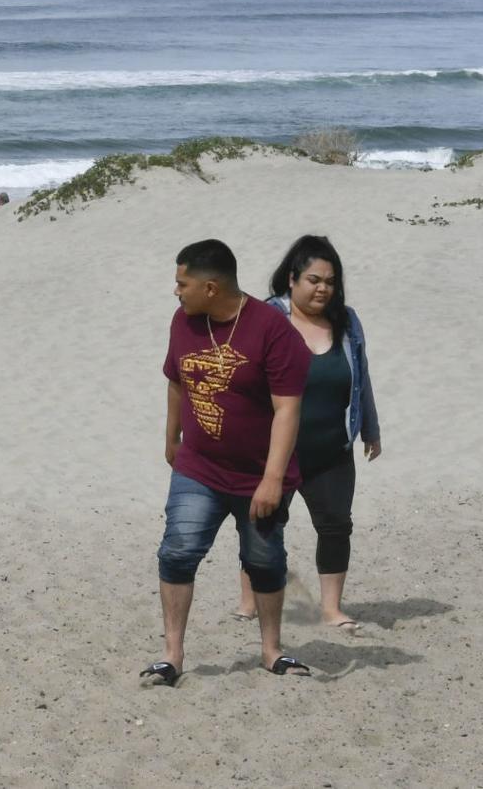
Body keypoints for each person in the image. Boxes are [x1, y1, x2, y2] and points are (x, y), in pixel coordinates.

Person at [142, 239, 311, 686]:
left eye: (182, 283)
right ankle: (172, 655)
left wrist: (273, 478)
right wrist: (171, 437)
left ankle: (271, 650)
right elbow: (176, 380)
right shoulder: (184, 321)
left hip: (259, 474)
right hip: (199, 467)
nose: (176, 291)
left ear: (211, 288)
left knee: (263, 560)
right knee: (178, 551)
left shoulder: (273, 332)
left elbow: (288, 409)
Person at [232, 235, 381, 632]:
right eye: (314, 279)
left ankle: (331, 609)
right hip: (274, 450)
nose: (323, 289)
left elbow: (360, 377)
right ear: (292, 279)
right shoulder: (265, 318)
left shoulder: (346, 321)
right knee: (263, 523)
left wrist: (370, 427)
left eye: (330, 282)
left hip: (332, 447)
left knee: (335, 525)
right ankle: (250, 600)